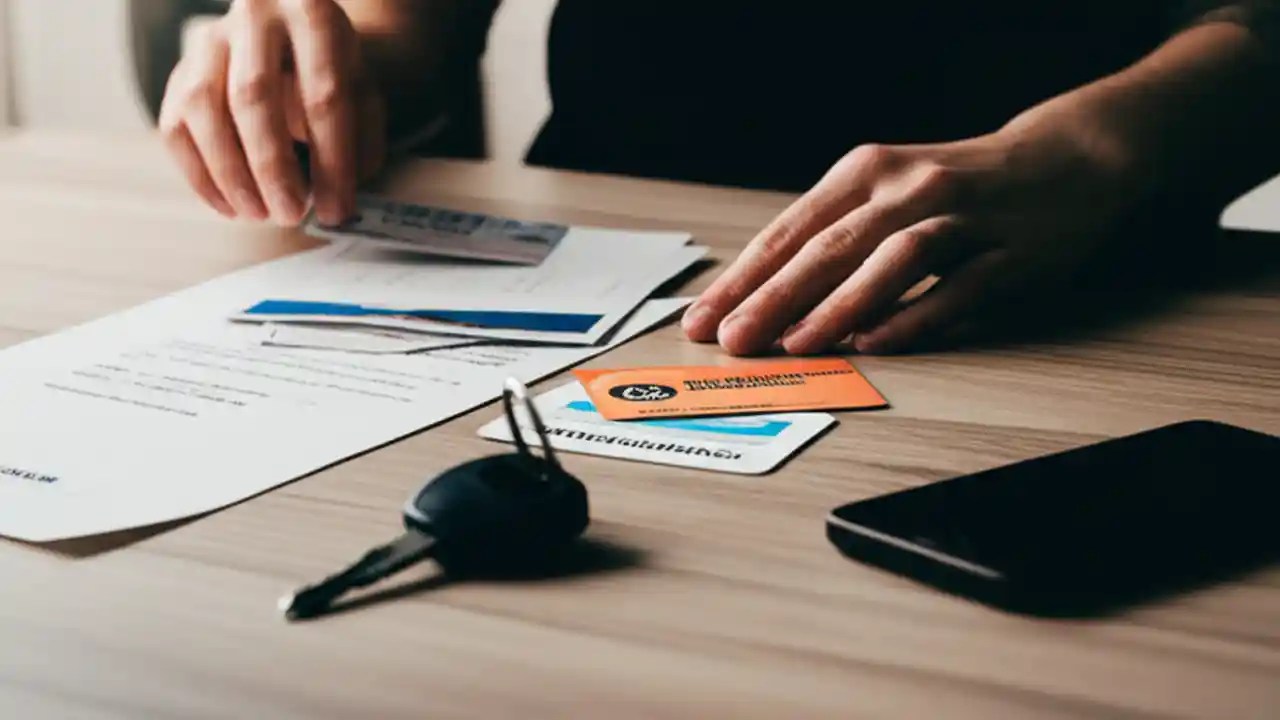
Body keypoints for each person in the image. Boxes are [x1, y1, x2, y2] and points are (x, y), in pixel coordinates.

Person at [158, 1, 1280, 355]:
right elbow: (407, 30)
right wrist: (322, 57)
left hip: (1070, 301)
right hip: (598, 274)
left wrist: (1102, 148)